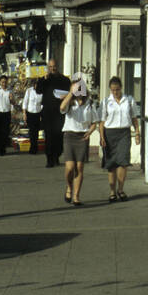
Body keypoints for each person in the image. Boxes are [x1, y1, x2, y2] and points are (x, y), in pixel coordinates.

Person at [98, 76, 140, 201]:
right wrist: (101, 137)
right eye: (112, 90)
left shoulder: (129, 100)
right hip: (110, 133)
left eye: (117, 89)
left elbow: (134, 118)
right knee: (111, 164)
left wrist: (137, 133)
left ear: (121, 88)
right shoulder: (106, 102)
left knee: (123, 161)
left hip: (124, 133)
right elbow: (102, 121)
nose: (115, 92)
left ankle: (120, 189)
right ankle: (112, 191)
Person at [59, 73, 98, 206]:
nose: (79, 90)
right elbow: (62, 108)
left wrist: (90, 132)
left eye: (80, 87)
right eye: (77, 88)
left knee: (79, 167)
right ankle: (69, 187)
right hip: (70, 135)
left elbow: (94, 122)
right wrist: (71, 93)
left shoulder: (90, 103)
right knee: (70, 167)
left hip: (82, 136)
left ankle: (76, 195)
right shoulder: (70, 102)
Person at [36, 58, 70, 167]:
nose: (53, 69)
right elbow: (38, 90)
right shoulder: (45, 79)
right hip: (47, 112)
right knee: (49, 136)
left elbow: (69, 93)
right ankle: (49, 159)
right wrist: (44, 79)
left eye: (54, 66)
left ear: (58, 66)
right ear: (48, 68)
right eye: (50, 67)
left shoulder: (64, 79)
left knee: (59, 136)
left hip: (59, 112)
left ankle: (57, 156)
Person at [0, 74, 14, 156]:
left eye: (5, 82)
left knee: (5, 132)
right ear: (0, 82)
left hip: (6, 113)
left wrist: (12, 99)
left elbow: (13, 103)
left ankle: (3, 149)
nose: (4, 83)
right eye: (2, 82)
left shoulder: (10, 91)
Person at [22, 78, 43, 154]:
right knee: (32, 131)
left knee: (36, 131)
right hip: (30, 113)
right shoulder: (29, 91)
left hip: (37, 113)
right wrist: (24, 114)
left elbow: (42, 104)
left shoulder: (42, 92)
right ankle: (32, 147)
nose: (37, 86)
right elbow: (25, 102)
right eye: (36, 84)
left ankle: (35, 147)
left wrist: (41, 113)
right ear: (34, 84)